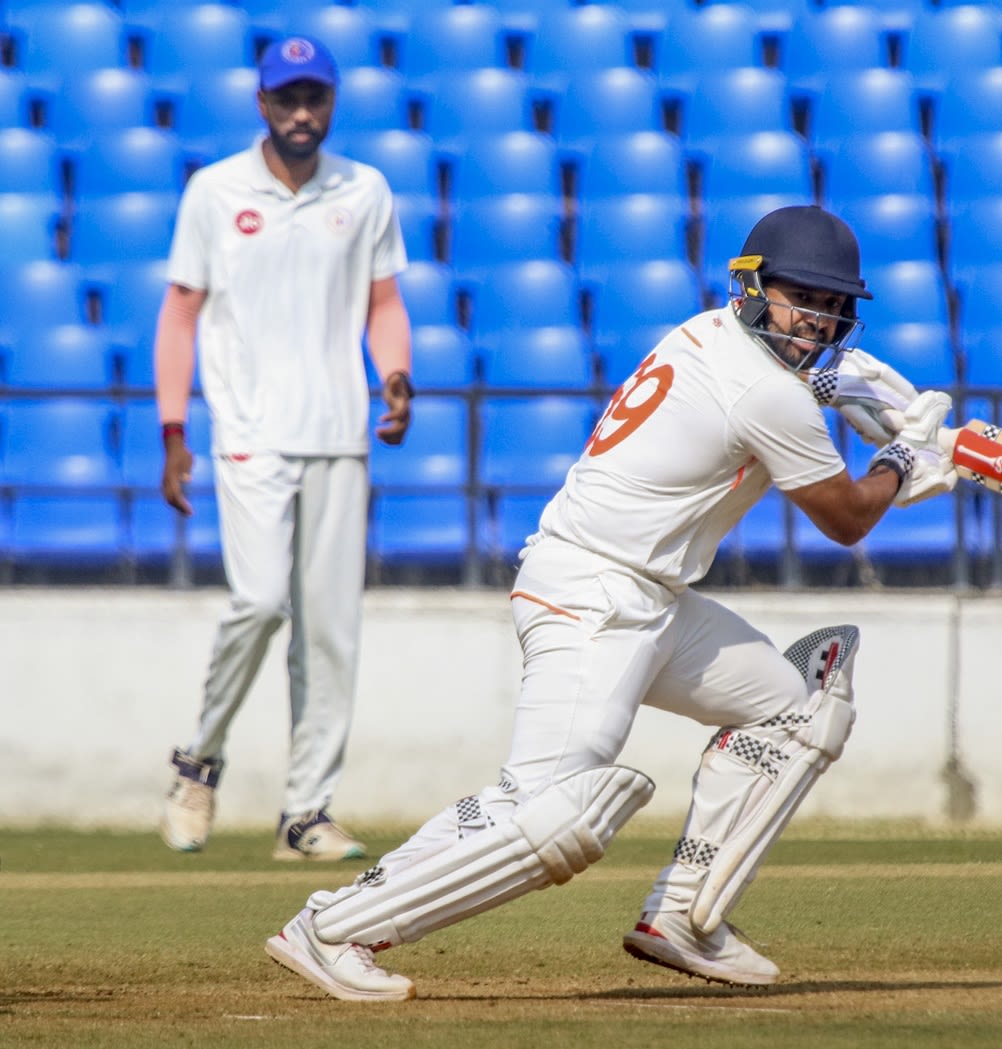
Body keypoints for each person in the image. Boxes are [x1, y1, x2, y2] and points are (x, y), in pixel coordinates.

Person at [263, 204, 954, 1000]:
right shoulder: (773, 396)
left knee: (797, 708)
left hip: (649, 596)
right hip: (593, 595)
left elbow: (770, 395)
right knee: (549, 811)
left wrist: (830, 384)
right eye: (802, 298)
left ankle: (685, 916)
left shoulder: (703, 332)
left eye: (833, 307)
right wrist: (904, 458)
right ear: (753, 287)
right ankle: (335, 926)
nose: (817, 321)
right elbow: (847, 517)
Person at [155, 35, 415, 862]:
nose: (302, 113)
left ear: (331, 102)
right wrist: (173, 430)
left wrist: (396, 375)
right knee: (261, 602)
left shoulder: (364, 189)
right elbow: (180, 314)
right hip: (250, 432)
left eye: (315, 98)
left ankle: (304, 813)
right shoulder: (214, 190)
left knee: (331, 631)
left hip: (338, 431)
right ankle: (199, 763)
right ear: (262, 103)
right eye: (287, 98)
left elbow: (383, 301)